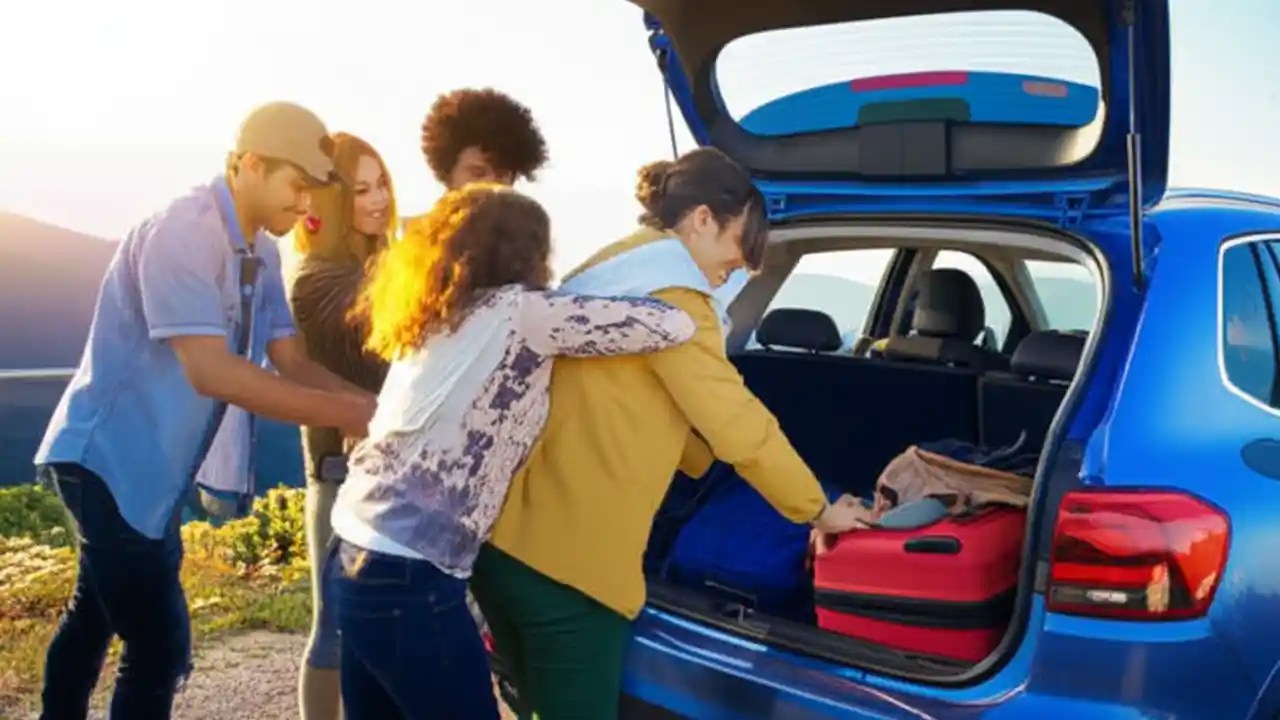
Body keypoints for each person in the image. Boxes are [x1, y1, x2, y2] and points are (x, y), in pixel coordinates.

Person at [470, 148, 867, 720]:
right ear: (702, 219)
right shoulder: (675, 299)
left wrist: (700, 461)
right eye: (735, 252)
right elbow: (740, 427)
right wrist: (820, 512)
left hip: (503, 546)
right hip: (571, 569)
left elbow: (632, 397)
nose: (733, 272)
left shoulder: (607, 268)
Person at [32, 101, 376, 720]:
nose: (306, 206)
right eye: (297, 186)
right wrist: (353, 416)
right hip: (105, 462)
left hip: (149, 475)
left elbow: (291, 362)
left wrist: (373, 408)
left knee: (94, 616)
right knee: (160, 645)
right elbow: (212, 371)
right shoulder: (183, 231)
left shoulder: (261, 251)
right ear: (249, 164)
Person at [325, 183, 698, 720]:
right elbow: (671, 324)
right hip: (410, 571)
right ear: (528, 253)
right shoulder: (523, 313)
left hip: (353, 548)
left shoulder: (435, 315)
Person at [287, 132, 398, 720]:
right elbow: (390, 321)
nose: (379, 199)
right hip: (340, 475)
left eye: (382, 183)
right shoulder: (319, 280)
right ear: (332, 201)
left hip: (399, 475)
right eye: (361, 189)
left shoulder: (383, 265)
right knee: (332, 630)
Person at [419, 87, 548, 191]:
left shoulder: (531, 223)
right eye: (478, 173)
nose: (490, 185)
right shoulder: (411, 224)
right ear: (448, 174)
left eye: (501, 176)